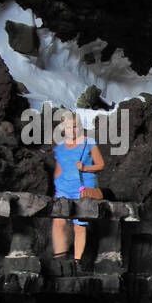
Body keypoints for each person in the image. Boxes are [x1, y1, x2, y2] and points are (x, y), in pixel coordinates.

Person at [51, 111, 105, 263]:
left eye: (75, 127)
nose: (72, 130)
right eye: (68, 127)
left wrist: (84, 168)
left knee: (79, 225)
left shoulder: (89, 143)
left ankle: (77, 262)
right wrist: (56, 188)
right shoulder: (60, 148)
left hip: (82, 188)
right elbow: (58, 170)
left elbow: (101, 165)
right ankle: (59, 260)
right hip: (63, 188)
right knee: (58, 221)